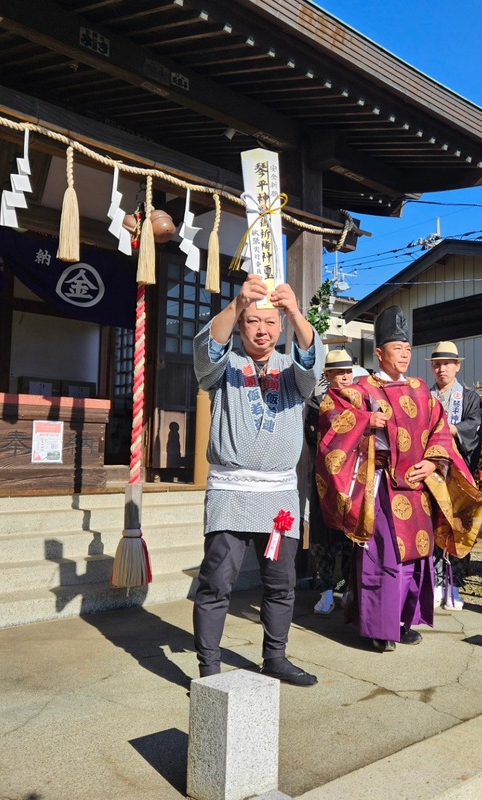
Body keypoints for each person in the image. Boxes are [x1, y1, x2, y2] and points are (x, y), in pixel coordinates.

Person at [314, 306, 482, 652]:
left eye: (408, 349)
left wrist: (435, 465)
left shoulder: (422, 390)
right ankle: (377, 627)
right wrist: (364, 422)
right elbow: (330, 413)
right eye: (397, 349)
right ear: (380, 353)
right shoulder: (362, 389)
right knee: (382, 558)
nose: (404, 354)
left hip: (416, 487)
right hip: (379, 485)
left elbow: (439, 432)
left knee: (414, 559)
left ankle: (402, 622)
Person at [192, 272, 324, 686]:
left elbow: (311, 361)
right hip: (231, 493)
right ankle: (209, 668)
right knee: (216, 583)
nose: (262, 329)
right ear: (242, 325)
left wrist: (296, 312)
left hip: (279, 499)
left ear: (280, 326)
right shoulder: (225, 368)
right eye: (253, 321)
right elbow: (207, 351)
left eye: (270, 322)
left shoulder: (292, 370)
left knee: (281, 583)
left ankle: (276, 658)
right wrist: (235, 304)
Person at [427, 341, 482, 610]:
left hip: (459, 475)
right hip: (432, 475)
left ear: (457, 366)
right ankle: (435, 582)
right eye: (437, 364)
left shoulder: (470, 398)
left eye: (447, 364)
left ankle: (454, 584)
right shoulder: (424, 397)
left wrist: (446, 429)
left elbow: (472, 428)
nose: (442, 369)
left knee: (459, 526)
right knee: (433, 526)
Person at [304, 348, 355, 615]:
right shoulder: (317, 402)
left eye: (348, 371)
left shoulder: (361, 400)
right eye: (339, 372)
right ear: (328, 375)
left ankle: (348, 589)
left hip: (353, 479)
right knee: (323, 536)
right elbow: (316, 441)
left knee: (350, 535)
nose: (345, 377)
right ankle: (325, 592)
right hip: (325, 478)